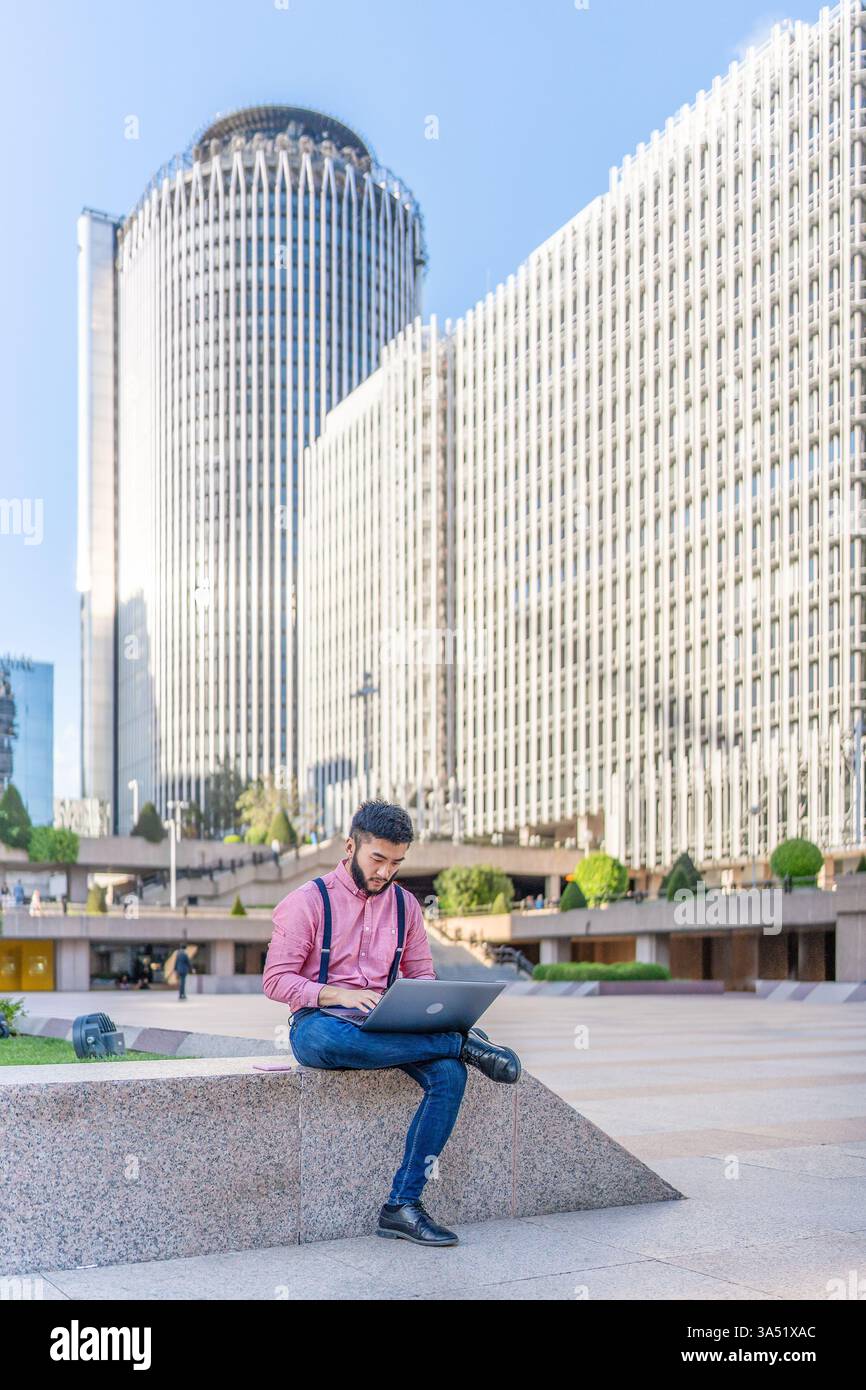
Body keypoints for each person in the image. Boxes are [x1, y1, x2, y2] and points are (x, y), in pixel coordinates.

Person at [263, 799, 521, 1249]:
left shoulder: (406, 907)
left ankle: (402, 1205)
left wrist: (427, 1005)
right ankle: (459, 1043)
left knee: (449, 1075)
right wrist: (337, 994)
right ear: (350, 847)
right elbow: (276, 980)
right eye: (377, 859)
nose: (385, 872)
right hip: (321, 1024)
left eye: (396, 863)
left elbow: (422, 977)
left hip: (390, 1026)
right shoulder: (305, 902)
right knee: (339, 1038)